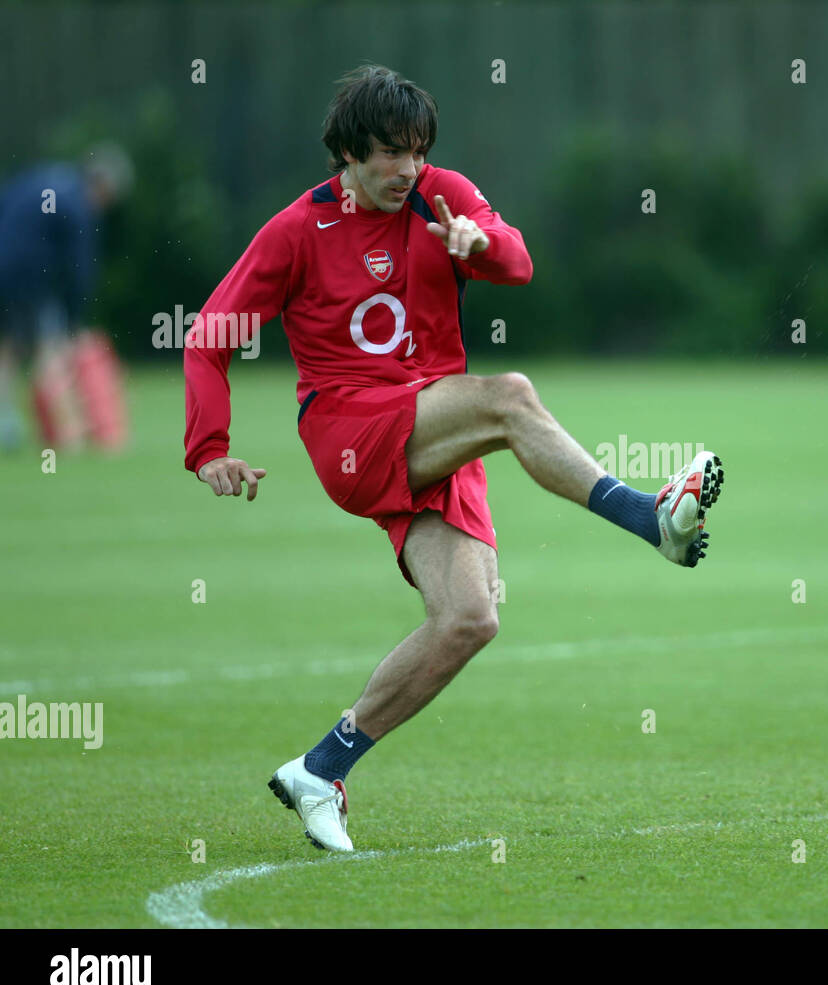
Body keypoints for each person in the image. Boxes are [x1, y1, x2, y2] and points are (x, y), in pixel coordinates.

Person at [183, 66, 724, 852]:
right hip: (350, 429)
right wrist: (209, 449)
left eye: (416, 151)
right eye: (388, 155)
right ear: (346, 153)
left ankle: (320, 769)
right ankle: (648, 518)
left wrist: (481, 242)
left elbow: (518, 265)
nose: (407, 170)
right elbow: (209, 337)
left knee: (471, 619)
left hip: (435, 431)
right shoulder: (297, 232)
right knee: (508, 396)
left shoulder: (443, 193)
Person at [0, 142, 133, 451]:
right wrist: (76, 319)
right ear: (103, 185)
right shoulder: (78, 202)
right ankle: (69, 436)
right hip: (31, 278)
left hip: (5, 270)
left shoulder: (41, 179)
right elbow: (79, 268)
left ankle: (5, 426)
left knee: (7, 348)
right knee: (52, 350)